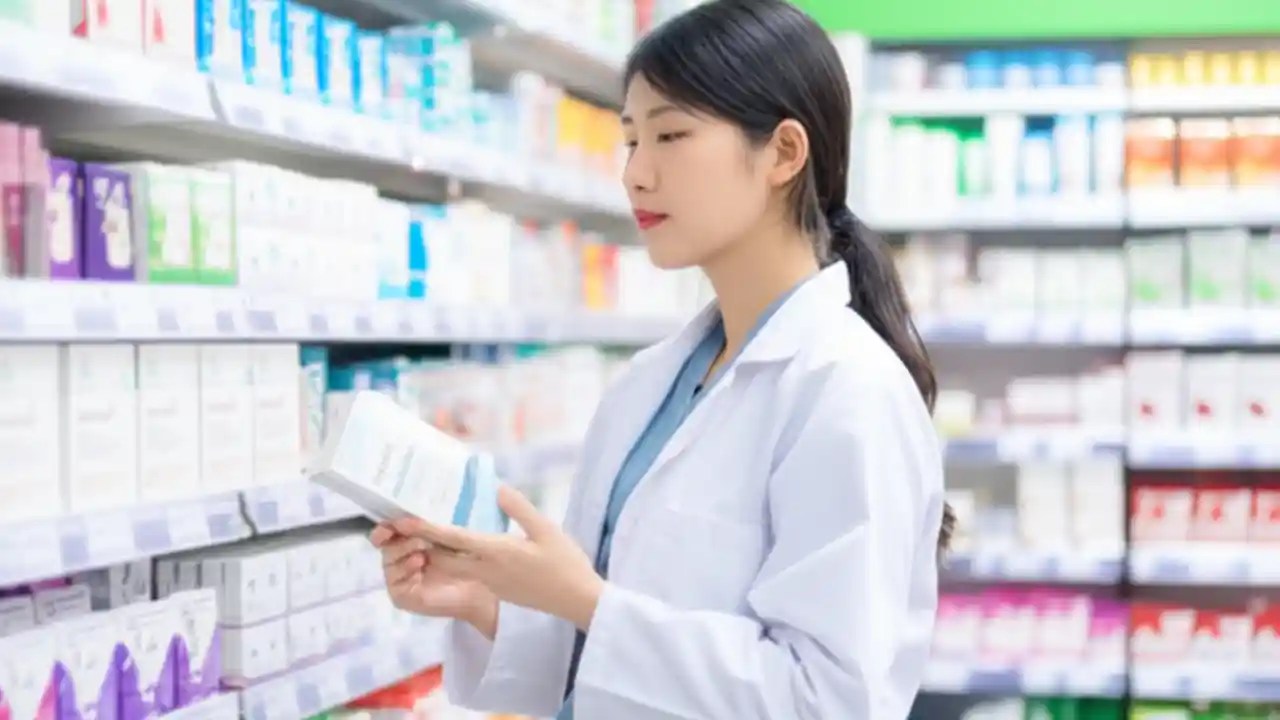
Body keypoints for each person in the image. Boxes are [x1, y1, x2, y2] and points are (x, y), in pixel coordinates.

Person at [369, 1, 951, 717]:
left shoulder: (847, 390)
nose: (635, 175)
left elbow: (825, 700)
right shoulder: (650, 385)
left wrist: (585, 599)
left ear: (784, 153)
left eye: (670, 135)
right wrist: (490, 602)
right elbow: (600, 651)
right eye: (629, 140)